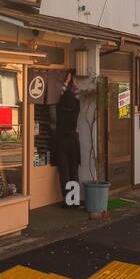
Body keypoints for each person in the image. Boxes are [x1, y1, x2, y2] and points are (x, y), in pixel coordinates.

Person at [52, 70, 81, 207]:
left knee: (64, 172)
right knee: (74, 170)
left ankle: (68, 200)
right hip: (73, 141)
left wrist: (66, 81)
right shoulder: (76, 109)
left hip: (61, 140)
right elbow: (77, 96)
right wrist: (73, 83)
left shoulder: (60, 108)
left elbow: (59, 95)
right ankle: (75, 200)